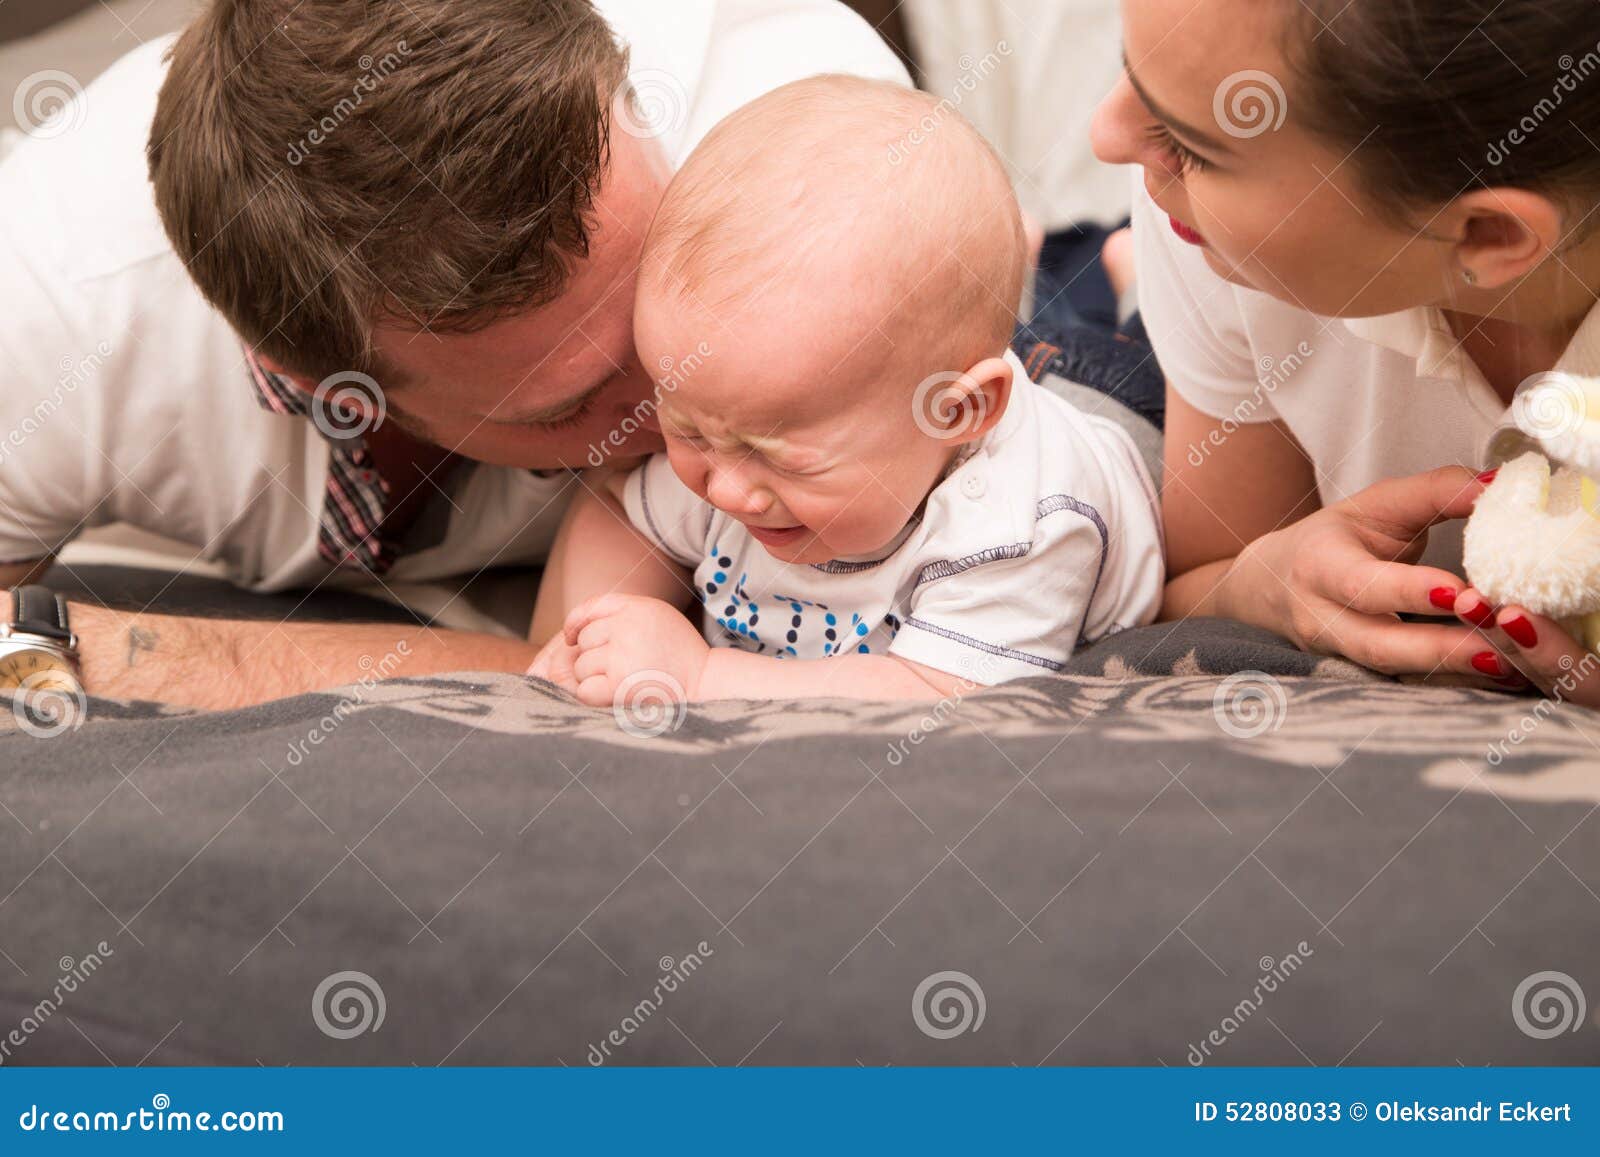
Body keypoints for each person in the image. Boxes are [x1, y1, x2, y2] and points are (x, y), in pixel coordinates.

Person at [0, 0, 909, 709]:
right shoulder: (49, 303)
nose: (673, 402)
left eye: (663, 309)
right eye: (569, 404)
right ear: (319, 386)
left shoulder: (818, 148)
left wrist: (142, 656)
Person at [528, 77, 1164, 704]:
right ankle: (1043, 267)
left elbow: (938, 694)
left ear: (959, 413)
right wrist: (590, 631)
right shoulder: (743, 426)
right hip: (927, 378)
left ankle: (1118, 269)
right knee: (960, 320)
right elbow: (618, 513)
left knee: (1124, 338)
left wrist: (698, 676)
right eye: (686, 430)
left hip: (1104, 392)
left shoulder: (1022, 527)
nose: (722, 490)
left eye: (776, 455)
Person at [1091, 0, 1600, 704]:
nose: (1107, 136)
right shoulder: (1199, 229)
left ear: (1487, 233)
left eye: (1194, 147)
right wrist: (1270, 580)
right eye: (1131, 72)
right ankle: (1112, 271)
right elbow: (1197, 575)